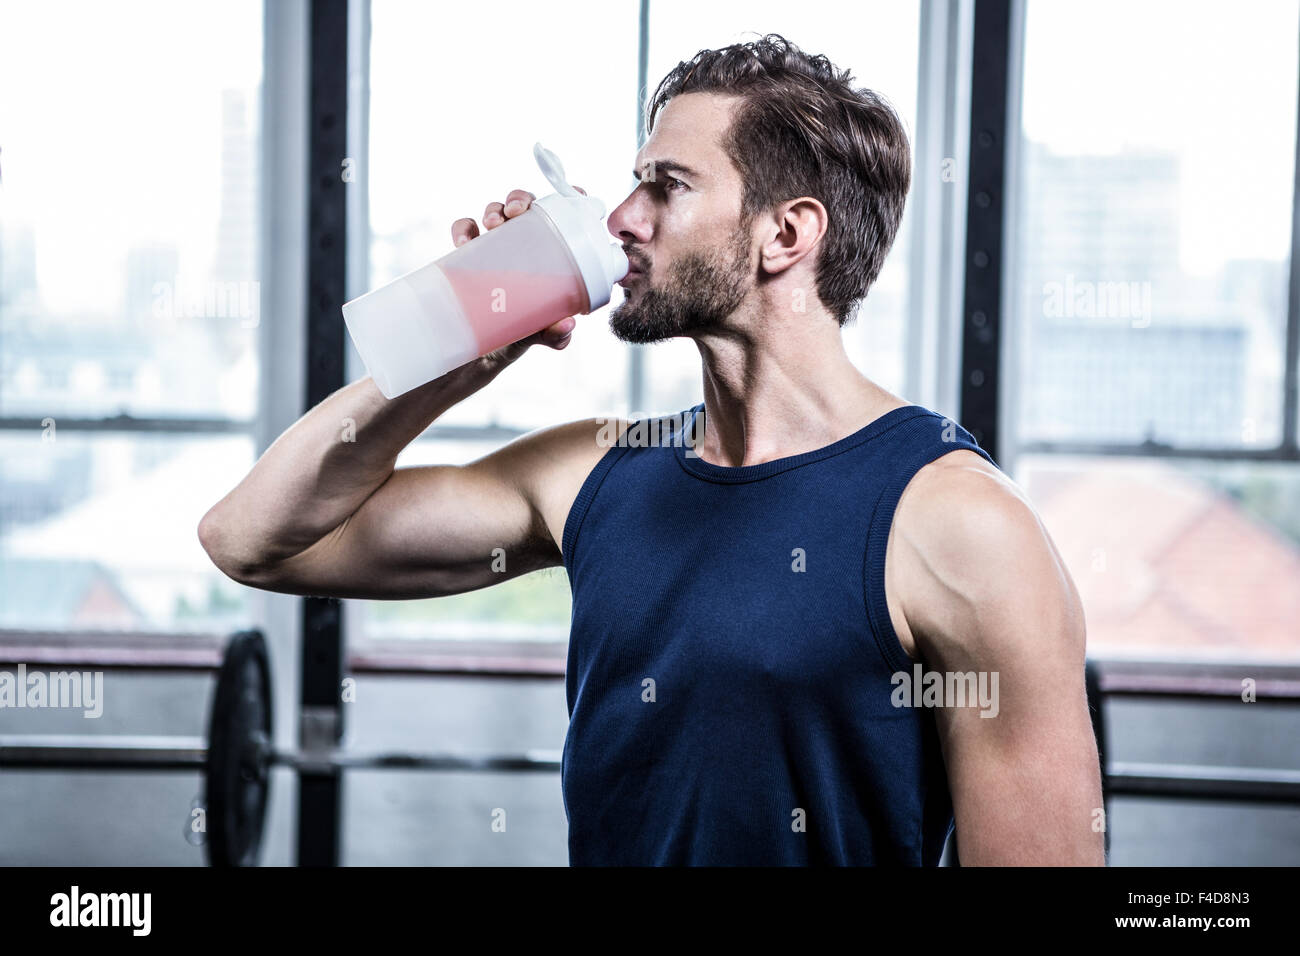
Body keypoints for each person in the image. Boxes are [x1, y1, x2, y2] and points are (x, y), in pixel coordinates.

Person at [199, 33, 1104, 866]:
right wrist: (459, 343)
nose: (623, 218)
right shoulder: (590, 476)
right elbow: (252, 540)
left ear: (786, 234)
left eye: (667, 186)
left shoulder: (962, 525)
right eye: (634, 183)